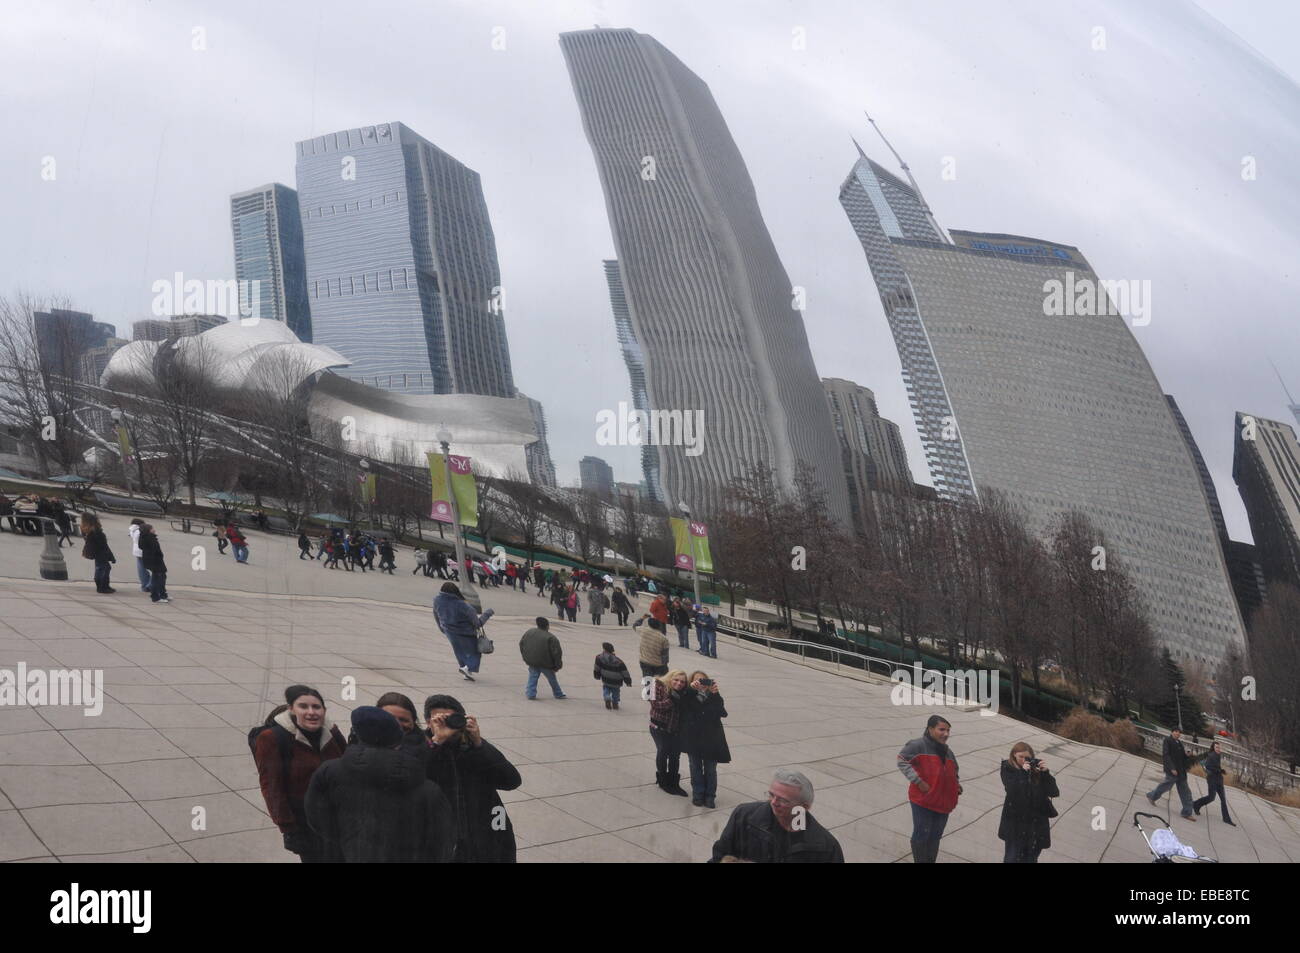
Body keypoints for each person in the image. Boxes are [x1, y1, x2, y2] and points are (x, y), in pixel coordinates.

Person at [305, 706, 454, 863]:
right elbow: (442, 843)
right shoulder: (429, 791)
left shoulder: (328, 772)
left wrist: (348, 839)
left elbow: (316, 817)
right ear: (398, 742)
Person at [251, 684, 347, 862]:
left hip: (339, 817)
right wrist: (288, 828)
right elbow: (272, 788)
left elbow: (348, 765)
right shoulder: (272, 738)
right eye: (303, 706)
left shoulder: (332, 732)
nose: (311, 712)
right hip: (305, 822)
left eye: (316, 707)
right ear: (291, 709)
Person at [423, 694, 522, 862]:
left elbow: (511, 780)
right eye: (440, 720)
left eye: (452, 719)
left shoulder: (474, 748)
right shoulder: (421, 748)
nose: (448, 725)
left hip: (485, 837)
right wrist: (437, 742)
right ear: (428, 722)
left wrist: (478, 744)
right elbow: (413, 777)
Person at [709, 769, 844, 863]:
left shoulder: (825, 847)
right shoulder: (744, 816)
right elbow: (720, 855)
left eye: (783, 800)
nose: (773, 803)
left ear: (804, 807)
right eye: (771, 795)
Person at [898, 715, 962, 863]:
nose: (946, 734)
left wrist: (956, 786)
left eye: (948, 730)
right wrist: (918, 781)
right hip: (923, 801)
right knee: (922, 835)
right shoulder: (918, 745)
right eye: (941, 730)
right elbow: (902, 760)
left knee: (935, 837)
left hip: (943, 804)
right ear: (930, 729)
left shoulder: (948, 752)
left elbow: (954, 771)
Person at [997, 742, 1059, 863]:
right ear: (1014, 755)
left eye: (1027, 758)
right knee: (1011, 858)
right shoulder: (1008, 768)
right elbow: (1012, 790)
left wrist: (1045, 773)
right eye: (1021, 757)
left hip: (1035, 828)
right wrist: (1023, 773)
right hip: (1015, 826)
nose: (1024, 760)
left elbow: (1054, 792)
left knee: (1030, 860)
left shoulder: (1037, 772)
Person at [681, 670, 730, 808]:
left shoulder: (713, 696)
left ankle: (710, 796)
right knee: (695, 767)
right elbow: (682, 706)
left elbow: (722, 713)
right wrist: (691, 690)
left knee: (710, 769)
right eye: (697, 680)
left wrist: (716, 694)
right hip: (693, 739)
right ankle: (698, 794)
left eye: (704, 680)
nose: (701, 683)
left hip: (712, 739)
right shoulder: (689, 695)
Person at [434, 582, 495, 682]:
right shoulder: (463, 605)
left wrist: (441, 628)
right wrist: (488, 613)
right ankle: (467, 668)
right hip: (466, 633)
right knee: (475, 653)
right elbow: (478, 624)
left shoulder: (437, 600)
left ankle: (466, 672)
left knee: (459, 652)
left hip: (449, 631)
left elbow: (436, 615)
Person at [649, 669, 690, 797]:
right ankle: (662, 781)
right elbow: (656, 706)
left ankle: (674, 783)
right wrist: (672, 699)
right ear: (670, 678)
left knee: (675, 756)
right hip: (658, 727)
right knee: (663, 751)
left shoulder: (684, 692)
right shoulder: (657, 685)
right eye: (676, 680)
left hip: (675, 729)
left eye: (682, 682)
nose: (679, 683)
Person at [1146, 728, 1200, 821]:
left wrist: (1187, 755)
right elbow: (1166, 755)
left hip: (1181, 772)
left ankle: (1186, 812)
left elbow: (1182, 757)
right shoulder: (1168, 741)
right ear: (1172, 732)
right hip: (1173, 771)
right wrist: (1172, 768)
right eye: (1176, 731)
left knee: (1186, 792)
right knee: (1166, 786)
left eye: (1179, 732)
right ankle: (1152, 796)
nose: (1177, 733)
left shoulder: (1179, 743)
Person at [519, 616, 566, 700]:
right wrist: (557, 666)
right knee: (552, 679)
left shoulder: (529, 632)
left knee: (532, 677)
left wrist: (525, 657)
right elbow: (557, 653)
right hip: (546, 663)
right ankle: (558, 693)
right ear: (547, 626)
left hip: (532, 661)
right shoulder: (551, 638)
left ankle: (530, 693)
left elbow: (521, 644)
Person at [1192, 741, 1236, 825]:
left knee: (1223, 799)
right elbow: (1207, 766)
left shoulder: (1218, 755)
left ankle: (1226, 819)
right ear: (1213, 748)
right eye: (1217, 747)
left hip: (1219, 780)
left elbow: (1216, 767)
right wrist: (1219, 770)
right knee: (1211, 798)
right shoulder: (1211, 756)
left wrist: (1220, 771)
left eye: (1219, 747)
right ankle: (1195, 804)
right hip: (1212, 780)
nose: (1219, 749)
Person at [80, 513, 115, 594]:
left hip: (95, 551)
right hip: (100, 551)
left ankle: (103, 586)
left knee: (101, 568)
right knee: (103, 568)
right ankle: (102, 587)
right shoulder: (95, 530)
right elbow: (102, 543)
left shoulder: (86, 528)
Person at [594, 641, 632, 711]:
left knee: (606, 688)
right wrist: (628, 681)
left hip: (606, 678)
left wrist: (597, 675)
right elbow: (625, 672)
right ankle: (615, 703)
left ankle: (607, 697)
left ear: (604, 649)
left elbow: (597, 668)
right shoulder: (619, 661)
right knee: (616, 691)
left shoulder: (599, 657)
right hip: (616, 681)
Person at [137, 523, 170, 604]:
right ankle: (156, 596)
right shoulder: (150, 538)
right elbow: (154, 551)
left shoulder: (146, 537)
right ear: (148, 530)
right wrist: (159, 556)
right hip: (155, 561)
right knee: (158, 578)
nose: (154, 530)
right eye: (152, 529)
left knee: (161, 576)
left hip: (153, 561)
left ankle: (162, 594)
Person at [128, 518, 150, 592]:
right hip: (142, 551)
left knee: (141, 568)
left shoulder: (133, 530)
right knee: (144, 569)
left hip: (137, 551)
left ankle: (145, 584)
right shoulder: (139, 530)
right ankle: (146, 585)